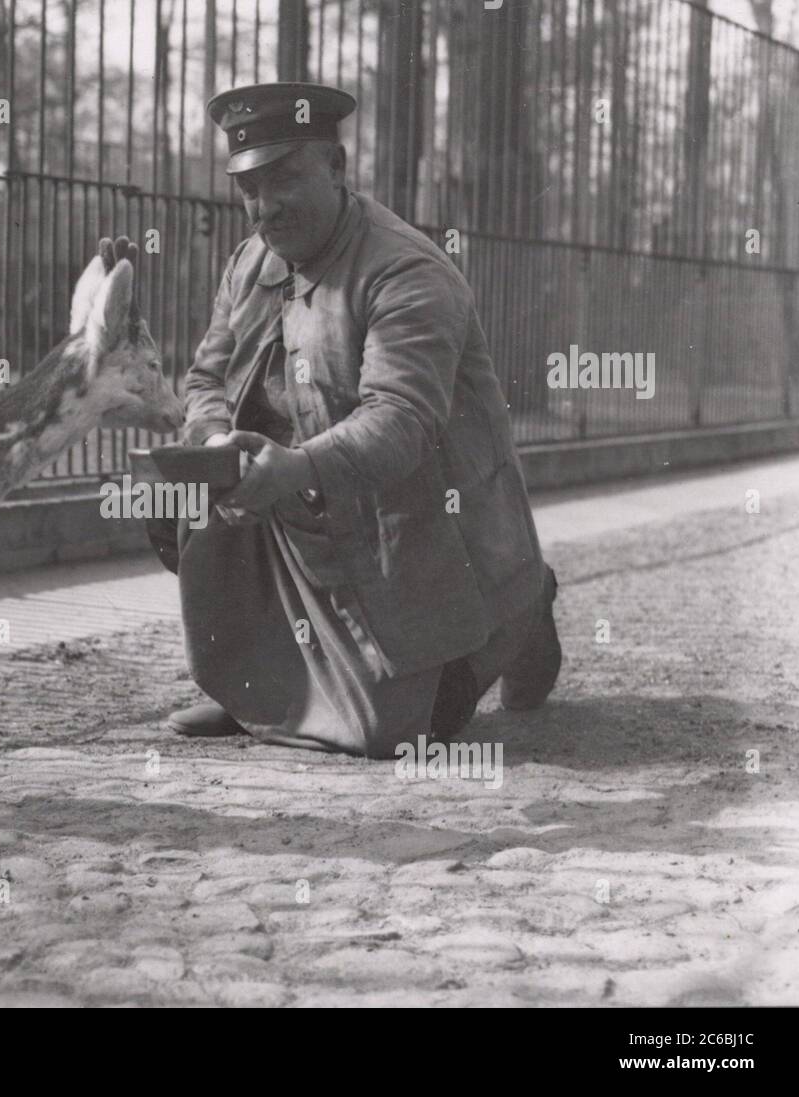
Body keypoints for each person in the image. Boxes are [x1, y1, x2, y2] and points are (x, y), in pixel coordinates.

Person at [149, 82, 561, 756]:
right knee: (176, 493)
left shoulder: (404, 272)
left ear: (337, 169)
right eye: (248, 186)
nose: (264, 206)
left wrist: (296, 467)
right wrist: (217, 439)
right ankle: (257, 685)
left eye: (284, 177)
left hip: (421, 534)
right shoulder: (250, 263)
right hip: (309, 513)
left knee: (402, 733)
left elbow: (400, 421)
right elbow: (205, 378)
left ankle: (520, 605)